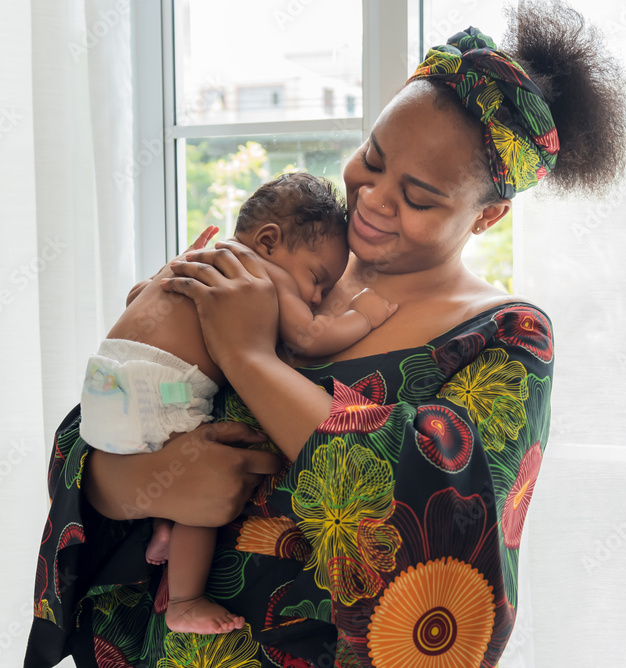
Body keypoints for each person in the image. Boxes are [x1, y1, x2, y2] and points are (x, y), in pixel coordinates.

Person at [24, 3, 626, 666]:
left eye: (420, 195)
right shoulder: (278, 262)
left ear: (486, 217)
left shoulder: (507, 340)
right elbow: (106, 419)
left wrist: (250, 357)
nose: (371, 199)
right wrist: (140, 480)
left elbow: (441, 535)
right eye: (372, 158)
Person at [78, 171, 397, 635]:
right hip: (158, 390)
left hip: (107, 383)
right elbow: (309, 337)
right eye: (316, 279)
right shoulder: (258, 273)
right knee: (200, 492)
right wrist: (361, 315)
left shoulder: (200, 258)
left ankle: (162, 526)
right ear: (269, 240)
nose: (314, 296)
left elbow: (134, 296)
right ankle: (185, 600)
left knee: (173, 465)